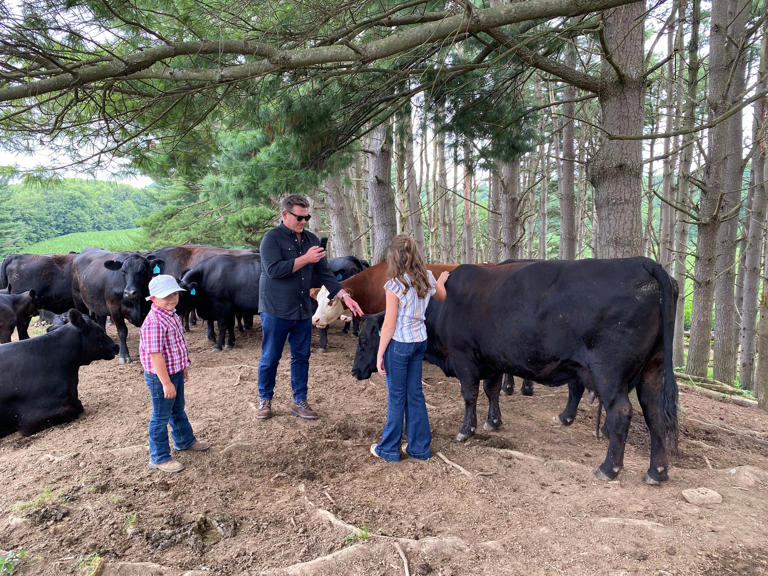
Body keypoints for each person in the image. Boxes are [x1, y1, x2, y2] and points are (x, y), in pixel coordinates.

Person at [256, 194, 363, 420]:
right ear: (285, 214)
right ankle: (265, 400)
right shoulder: (271, 239)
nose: (304, 222)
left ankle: (299, 401)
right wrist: (306, 259)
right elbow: (274, 270)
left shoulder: (311, 239)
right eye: (299, 217)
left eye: (307, 217)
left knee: (301, 356)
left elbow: (325, 274)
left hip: (302, 309)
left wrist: (344, 295)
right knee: (270, 356)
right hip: (276, 309)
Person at [370, 235, 449, 462]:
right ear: (415, 254)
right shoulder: (426, 278)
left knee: (396, 396)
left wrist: (379, 354)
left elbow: (389, 324)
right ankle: (419, 448)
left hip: (399, 344)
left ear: (393, 258)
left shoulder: (394, 285)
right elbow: (442, 295)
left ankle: (388, 449)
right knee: (415, 394)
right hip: (419, 341)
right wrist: (441, 281)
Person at [140, 274, 210, 473]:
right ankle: (159, 457)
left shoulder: (171, 314)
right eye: (165, 296)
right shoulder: (154, 322)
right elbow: (156, 356)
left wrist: (183, 367)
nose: (171, 299)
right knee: (160, 416)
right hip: (161, 377)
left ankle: (184, 441)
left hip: (175, 372)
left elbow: (178, 346)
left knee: (178, 409)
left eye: (174, 294)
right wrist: (166, 383)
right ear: (153, 299)